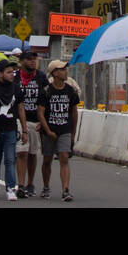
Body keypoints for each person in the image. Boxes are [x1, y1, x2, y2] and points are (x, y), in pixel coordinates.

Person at [0, 59, 26, 200]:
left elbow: (20, 109)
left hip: (11, 130)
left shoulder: (16, 88)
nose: (12, 74)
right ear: (0, 73)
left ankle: (10, 188)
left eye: (13, 72)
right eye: (8, 72)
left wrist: (24, 130)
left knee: (10, 159)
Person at [38, 59, 81, 202]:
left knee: (64, 157)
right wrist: (47, 130)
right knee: (47, 160)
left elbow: (74, 113)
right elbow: (41, 113)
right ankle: (45, 187)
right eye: (62, 69)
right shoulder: (46, 91)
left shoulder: (71, 91)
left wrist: (73, 133)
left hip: (65, 130)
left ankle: (66, 190)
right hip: (49, 130)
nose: (65, 71)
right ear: (55, 73)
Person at [15, 51, 48, 198]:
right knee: (22, 151)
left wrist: (43, 120)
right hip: (18, 119)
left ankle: (30, 183)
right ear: (21, 61)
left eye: (34, 59)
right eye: (29, 59)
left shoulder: (41, 77)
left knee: (32, 154)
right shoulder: (15, 77)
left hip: (35, 120)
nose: (32, 62)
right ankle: (20, 185)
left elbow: (47, 98)